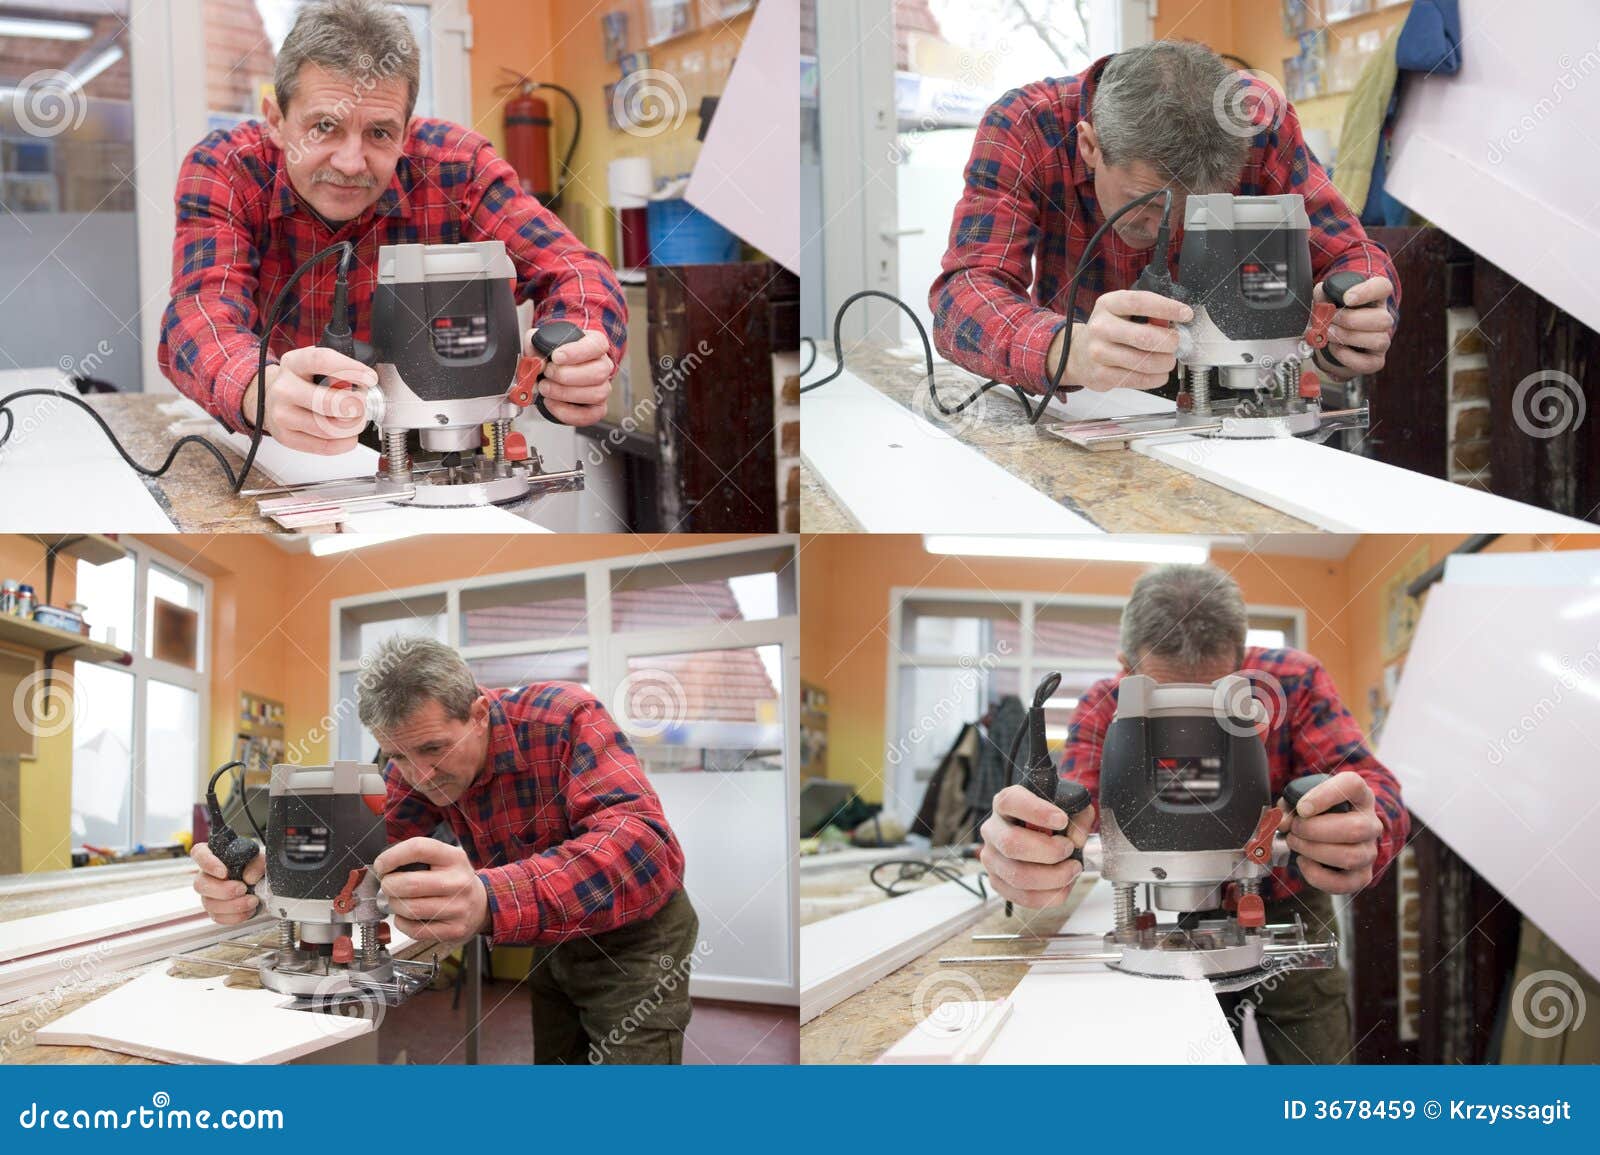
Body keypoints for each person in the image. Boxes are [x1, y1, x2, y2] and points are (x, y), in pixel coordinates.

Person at [192, 636, 698, 1064]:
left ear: (479, 713)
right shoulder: (412, 759)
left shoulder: (564, 717)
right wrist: (266, 872)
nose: (418, 775)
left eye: (434, 749)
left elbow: (645, 846)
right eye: (397, 756)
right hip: (555, 939)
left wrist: (490, 899)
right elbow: (360, 851)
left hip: (638, 939)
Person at [978, 563, 1410, 1063]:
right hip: (1153, 915)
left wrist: (1362, 830)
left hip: (1283, 909)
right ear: (1126, 665)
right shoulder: (1103, 704)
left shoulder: (1294, 680)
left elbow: (1377, 790)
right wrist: (1033, 841)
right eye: (1164, 696)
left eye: (1210, 695)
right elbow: (1078, 821)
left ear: (1243, 659)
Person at [160, 0, 624, 451]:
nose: (349, 162)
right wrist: (260, 389)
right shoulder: (226, 168)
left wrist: (572, 353)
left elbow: (574, 270)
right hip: (275, 436)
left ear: (407, 128)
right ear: (277, 121)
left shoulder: (455, 168)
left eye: (380, 133)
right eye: (324, 126)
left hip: (432, 441)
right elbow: (198, 312)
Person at [932, 40, 1399, 396]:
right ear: (1090, 146)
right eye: (1149, 204)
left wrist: (1354, 319)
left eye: (1200, 207)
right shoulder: (1025, 125)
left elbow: (1353, 254)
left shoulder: (1254, 120)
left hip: (1232, 398)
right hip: (1080, 399)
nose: (1170, 231)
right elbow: (963, 296)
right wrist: (1067, 350)